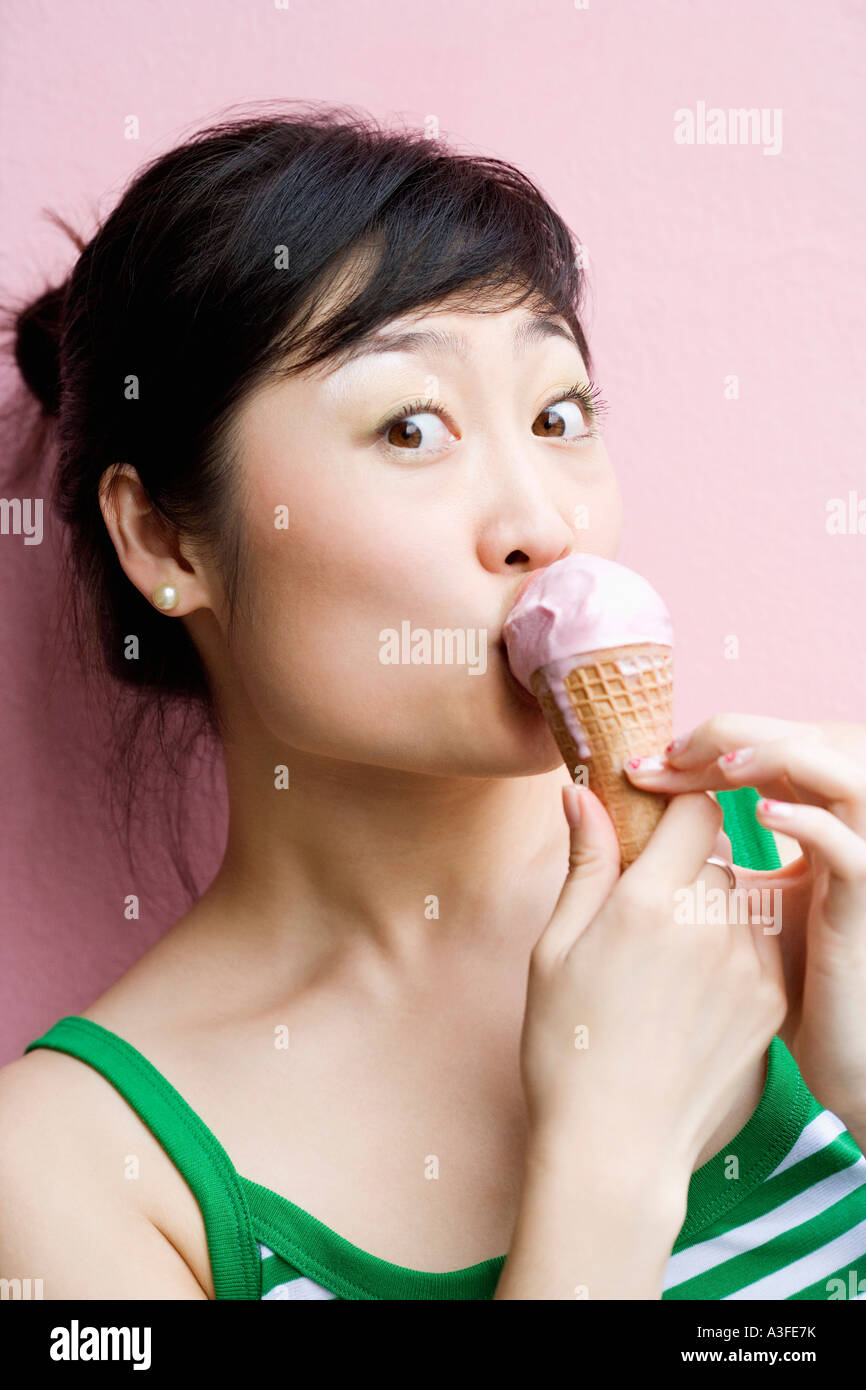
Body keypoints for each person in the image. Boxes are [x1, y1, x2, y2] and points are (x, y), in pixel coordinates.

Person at [1, 103, 865, 1301]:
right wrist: (606, 1166)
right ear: (164, 538)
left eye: (559, 416)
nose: (542, 525)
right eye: (413, 426)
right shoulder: (75, 1172)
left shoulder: (813, 894)